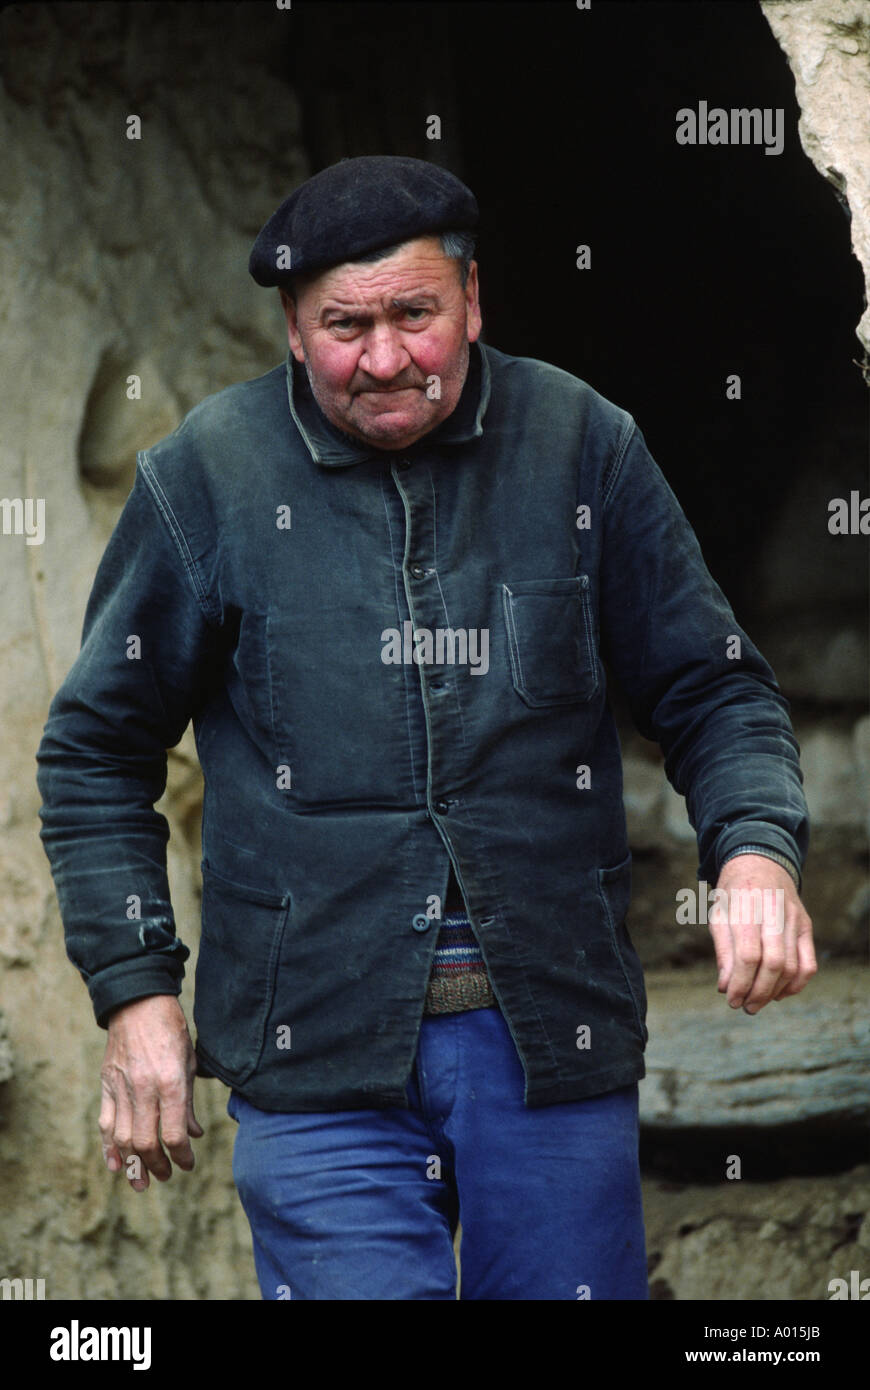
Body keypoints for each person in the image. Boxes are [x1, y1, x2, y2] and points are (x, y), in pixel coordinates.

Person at [36, 155, 815, 1301]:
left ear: (474, 302)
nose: (387, 356)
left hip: (553, 1044)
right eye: (346, 325)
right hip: (314, 1049)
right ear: (294, 331)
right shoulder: (208, 477)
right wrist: (137, 989)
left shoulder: (582, 447)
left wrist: (755, 851)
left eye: (417, 314)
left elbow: (715, 686)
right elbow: (96, 748)